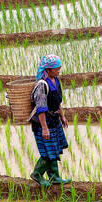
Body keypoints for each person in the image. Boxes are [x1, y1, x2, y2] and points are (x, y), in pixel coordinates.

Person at [30, 54, 69, 186]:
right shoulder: (42, 85)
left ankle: (54, 177)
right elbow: (41, 109)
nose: (59, 70)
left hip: (54, 119)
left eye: (59, 68)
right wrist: (44, 128)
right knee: (47, 152)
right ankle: (37, 174)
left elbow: (57, 101)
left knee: (55, 149)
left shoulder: (56, 80)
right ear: (48, 70)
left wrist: (62, 116)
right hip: (42, 123)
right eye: (57, 68)